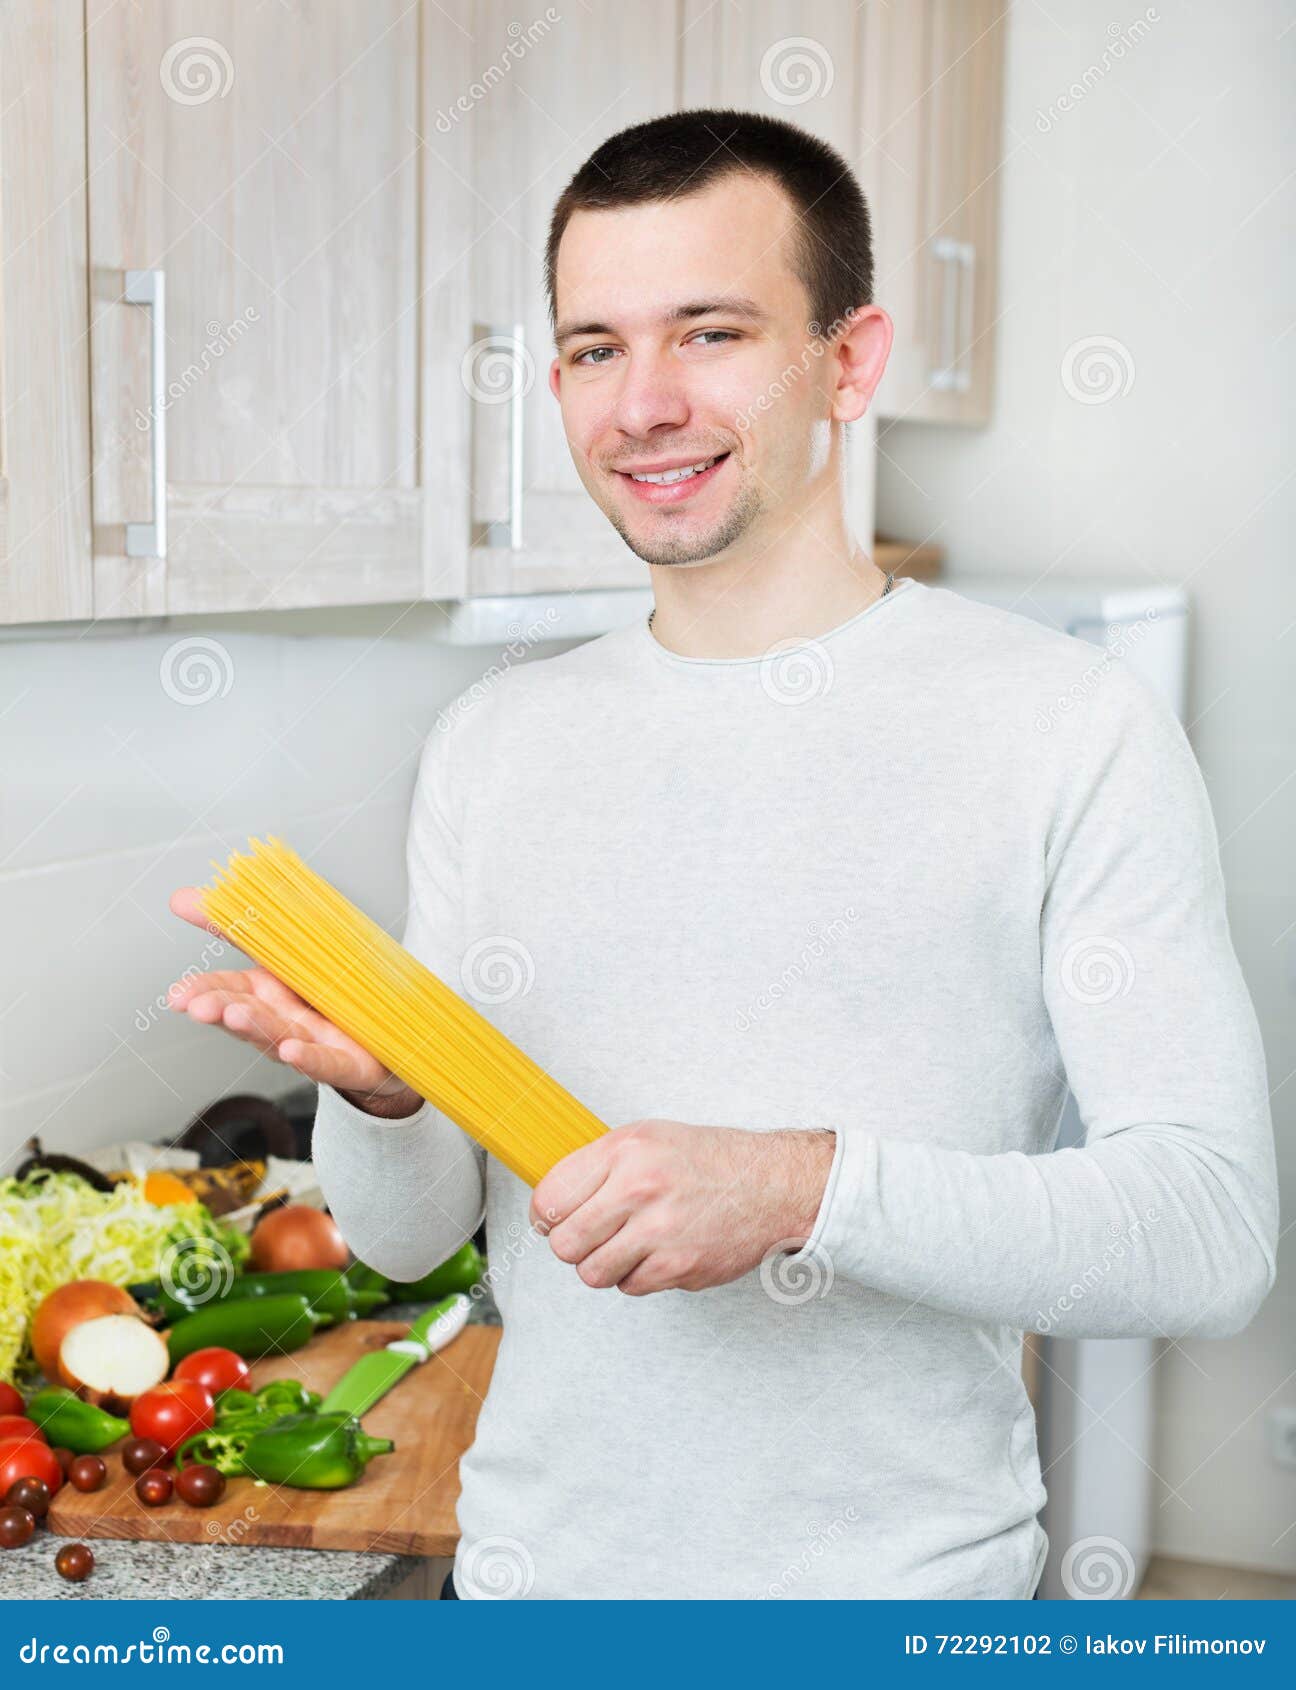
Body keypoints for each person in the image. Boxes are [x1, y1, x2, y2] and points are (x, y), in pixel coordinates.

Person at [169, 109, 1278, 1600]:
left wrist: (805, 1188)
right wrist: (381, 1091)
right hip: (539, 1590)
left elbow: (1207, 1232)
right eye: (594, 347)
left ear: (851, 359)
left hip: (900, 1610)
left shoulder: (1069, 727)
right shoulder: (496, 746)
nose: (645, 403)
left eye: (711, 332)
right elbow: (409, 1237)